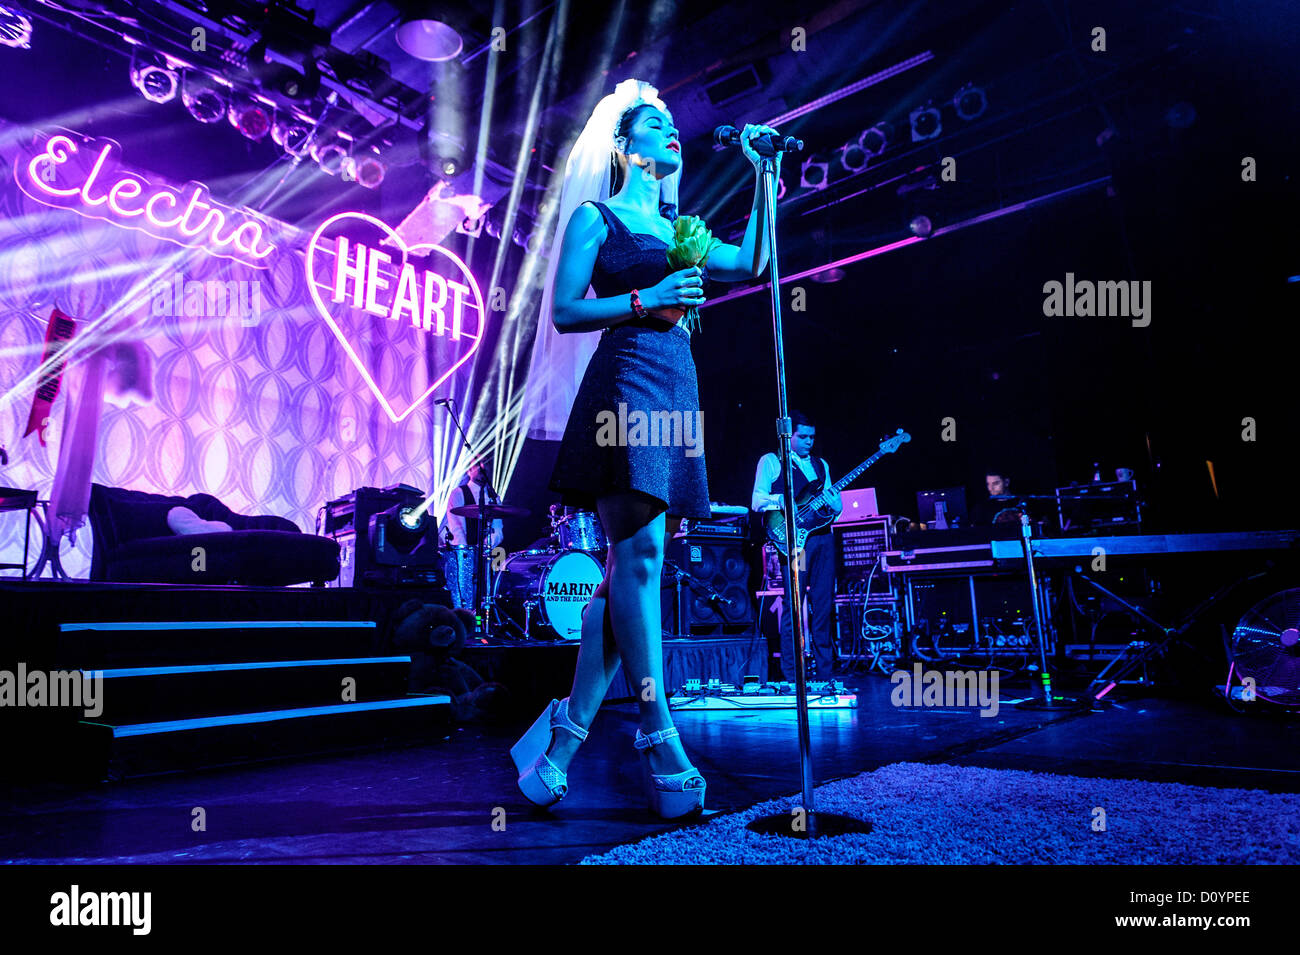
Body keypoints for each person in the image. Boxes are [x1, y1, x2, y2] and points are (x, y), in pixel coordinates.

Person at [510, 78, 778, 818]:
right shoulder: (596, 219)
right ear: (624, 149)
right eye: (656, 127)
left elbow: (752, 259)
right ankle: (658, 731)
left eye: (672, 129)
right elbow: (565, 310)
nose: (672, 136)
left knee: (622, 578)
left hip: (675, 382)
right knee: (642, 562)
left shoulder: (683, 228)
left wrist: (764, 175)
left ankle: (560, 745)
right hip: (626, 376)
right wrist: (644, 301)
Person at [751, 411, 841, 682]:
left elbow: (829, 507)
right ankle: (792, 677)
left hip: (823, 539)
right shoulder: (771, 461)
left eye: (812, 437)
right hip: (793, 544)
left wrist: (837, 506)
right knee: (794, 604)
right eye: (803, 436)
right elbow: (756, 501)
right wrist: (783, 500)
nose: (809, 442)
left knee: (824, 605)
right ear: (789, 436)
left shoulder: (820, 464)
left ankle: (825, 676)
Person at [439, 458, 504, 612]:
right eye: (478, 465)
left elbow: (498, 531)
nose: (482, 467)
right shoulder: (458, 493)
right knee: (464, 596)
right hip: (463, 555)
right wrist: (470, 552)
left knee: (486, 592)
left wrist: (485, 546)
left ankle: (485, 619)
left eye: (485, 464)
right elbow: (457, 528)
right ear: (469, 470)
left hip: (487, 555)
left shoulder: (494, 497)